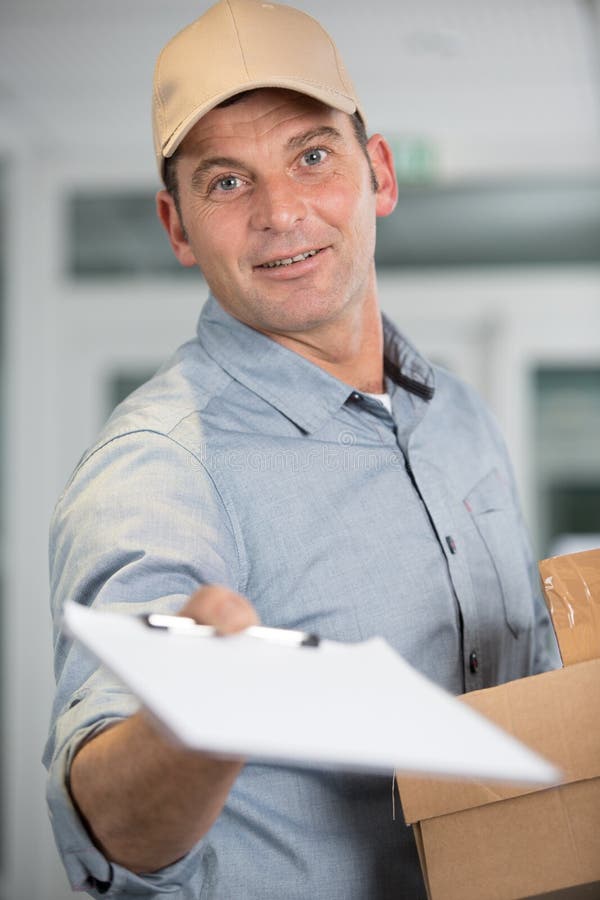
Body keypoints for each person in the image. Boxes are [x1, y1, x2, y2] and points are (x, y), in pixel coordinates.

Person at [44, 1, 561, 898]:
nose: (282, 212)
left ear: (380, 174)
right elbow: (107, 824)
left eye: (312, 156)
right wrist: (197, 715)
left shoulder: (459, 418)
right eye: (226, 182)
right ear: (176, 225)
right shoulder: (161, 467)